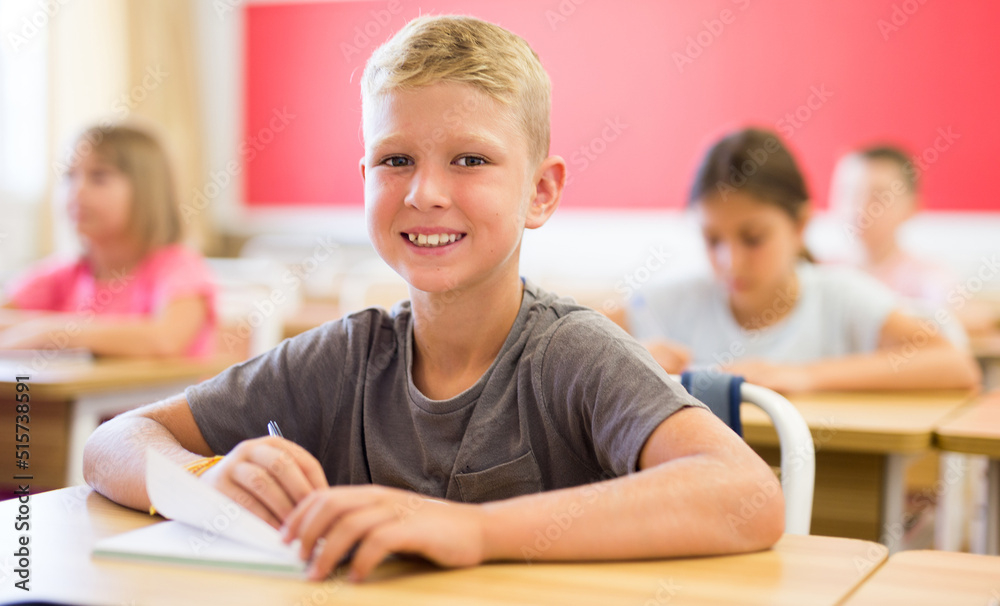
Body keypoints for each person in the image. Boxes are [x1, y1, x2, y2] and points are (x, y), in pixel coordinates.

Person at [83, 16, 783, 583]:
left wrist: (472, 530)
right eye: (396, 160)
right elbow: (112, 443)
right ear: (365, 178)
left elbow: (748, 496)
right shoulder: (343, 357)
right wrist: (203, 480)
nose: (425, 193)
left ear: (541, 191)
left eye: (470, 160)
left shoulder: (573, 354)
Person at [625, 128, 980, 393]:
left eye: (753, 239)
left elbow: (955, 365)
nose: (731, 261)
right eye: (712, 239)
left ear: (799, 225)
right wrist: (625, 359)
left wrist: (805, 376)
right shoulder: (674, 301)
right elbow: (571, 340)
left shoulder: (840, 295)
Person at [0, 123, 216, 357]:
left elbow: (165, 340)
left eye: (99, 176)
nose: (77, 191)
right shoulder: (65, 273)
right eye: (69, 176)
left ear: (146, 190)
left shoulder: (178, 267)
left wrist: (52, 331)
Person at [830, 144, 998, 336]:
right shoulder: (819, 269)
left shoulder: (927, 276)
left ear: (911, 207)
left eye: (879, 197)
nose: (861, 207)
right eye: (850, 192)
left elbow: (973, 317)